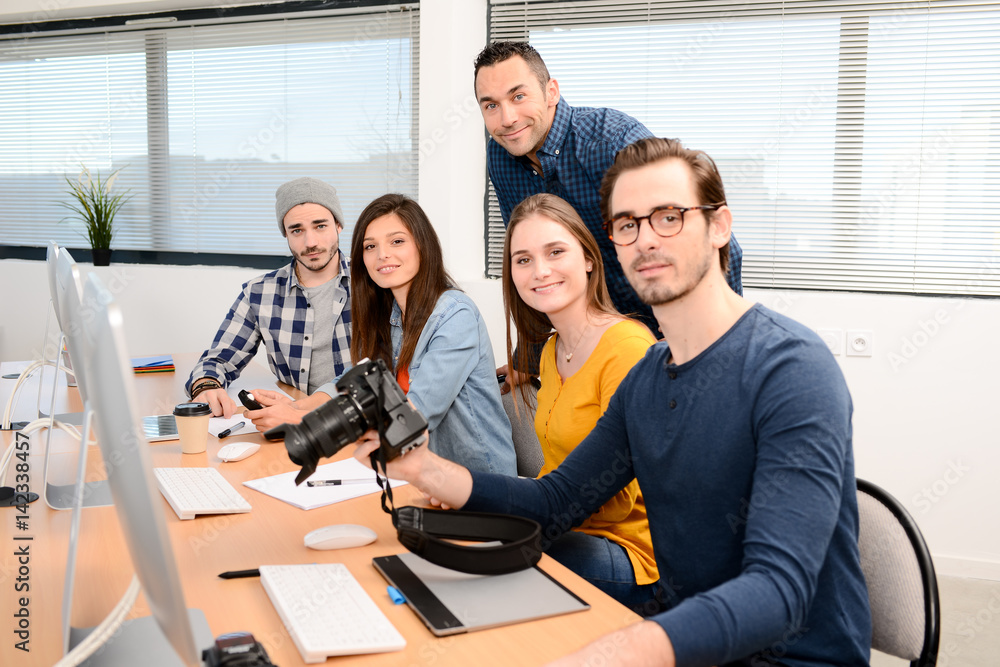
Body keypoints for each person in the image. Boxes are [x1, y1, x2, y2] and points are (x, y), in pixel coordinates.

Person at [356, 138, 871, 666]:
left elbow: (779, 591)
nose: (645, 239)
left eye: (669, 216)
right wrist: (421, 467)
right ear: (613, 245)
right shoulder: (650, 377)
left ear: (719, 227)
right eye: (627, 224)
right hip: (684, 634)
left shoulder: (791, 368)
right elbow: (555, 503)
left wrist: (618, 650)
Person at [474, 40, 744, 344]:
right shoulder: (500, 156)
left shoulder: (612, 141)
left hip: (677, 330)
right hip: (596, 339)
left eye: (519, 96)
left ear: (551, 92)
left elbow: (718, 245)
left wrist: (718, 341)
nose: (507, 119)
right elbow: (529, 257)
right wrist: (533, 357)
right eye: (491, 105)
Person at [257, 194, 517, 476]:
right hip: (416, 472)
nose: (382, 255)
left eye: (397, 241)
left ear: (422, 246)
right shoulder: (391, 312)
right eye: (371, 246)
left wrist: (303, 420)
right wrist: (296, 406)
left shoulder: (454, 315)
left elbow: (411, 417)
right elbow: (358, 382)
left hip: (476, 484)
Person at [503, 192, 659, 610]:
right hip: (569, 525)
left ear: (588, 258)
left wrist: (521, 504)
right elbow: (558, 472)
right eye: (523, 259)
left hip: (635, 553)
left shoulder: (627, 346)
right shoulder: (552, 351)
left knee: (506, 559)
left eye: (556, 251)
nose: (540, 270)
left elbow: (614, 495)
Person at [186, 177, 351, 417]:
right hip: (291, 421)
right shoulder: (260, 293)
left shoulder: (373, 283)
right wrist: (206, 386)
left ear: (338, 225)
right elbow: (219, 359)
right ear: (285, 234)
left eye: (320, 226)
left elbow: (386, 369)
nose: (310, 242)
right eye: (297, 230)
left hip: (355, 418)